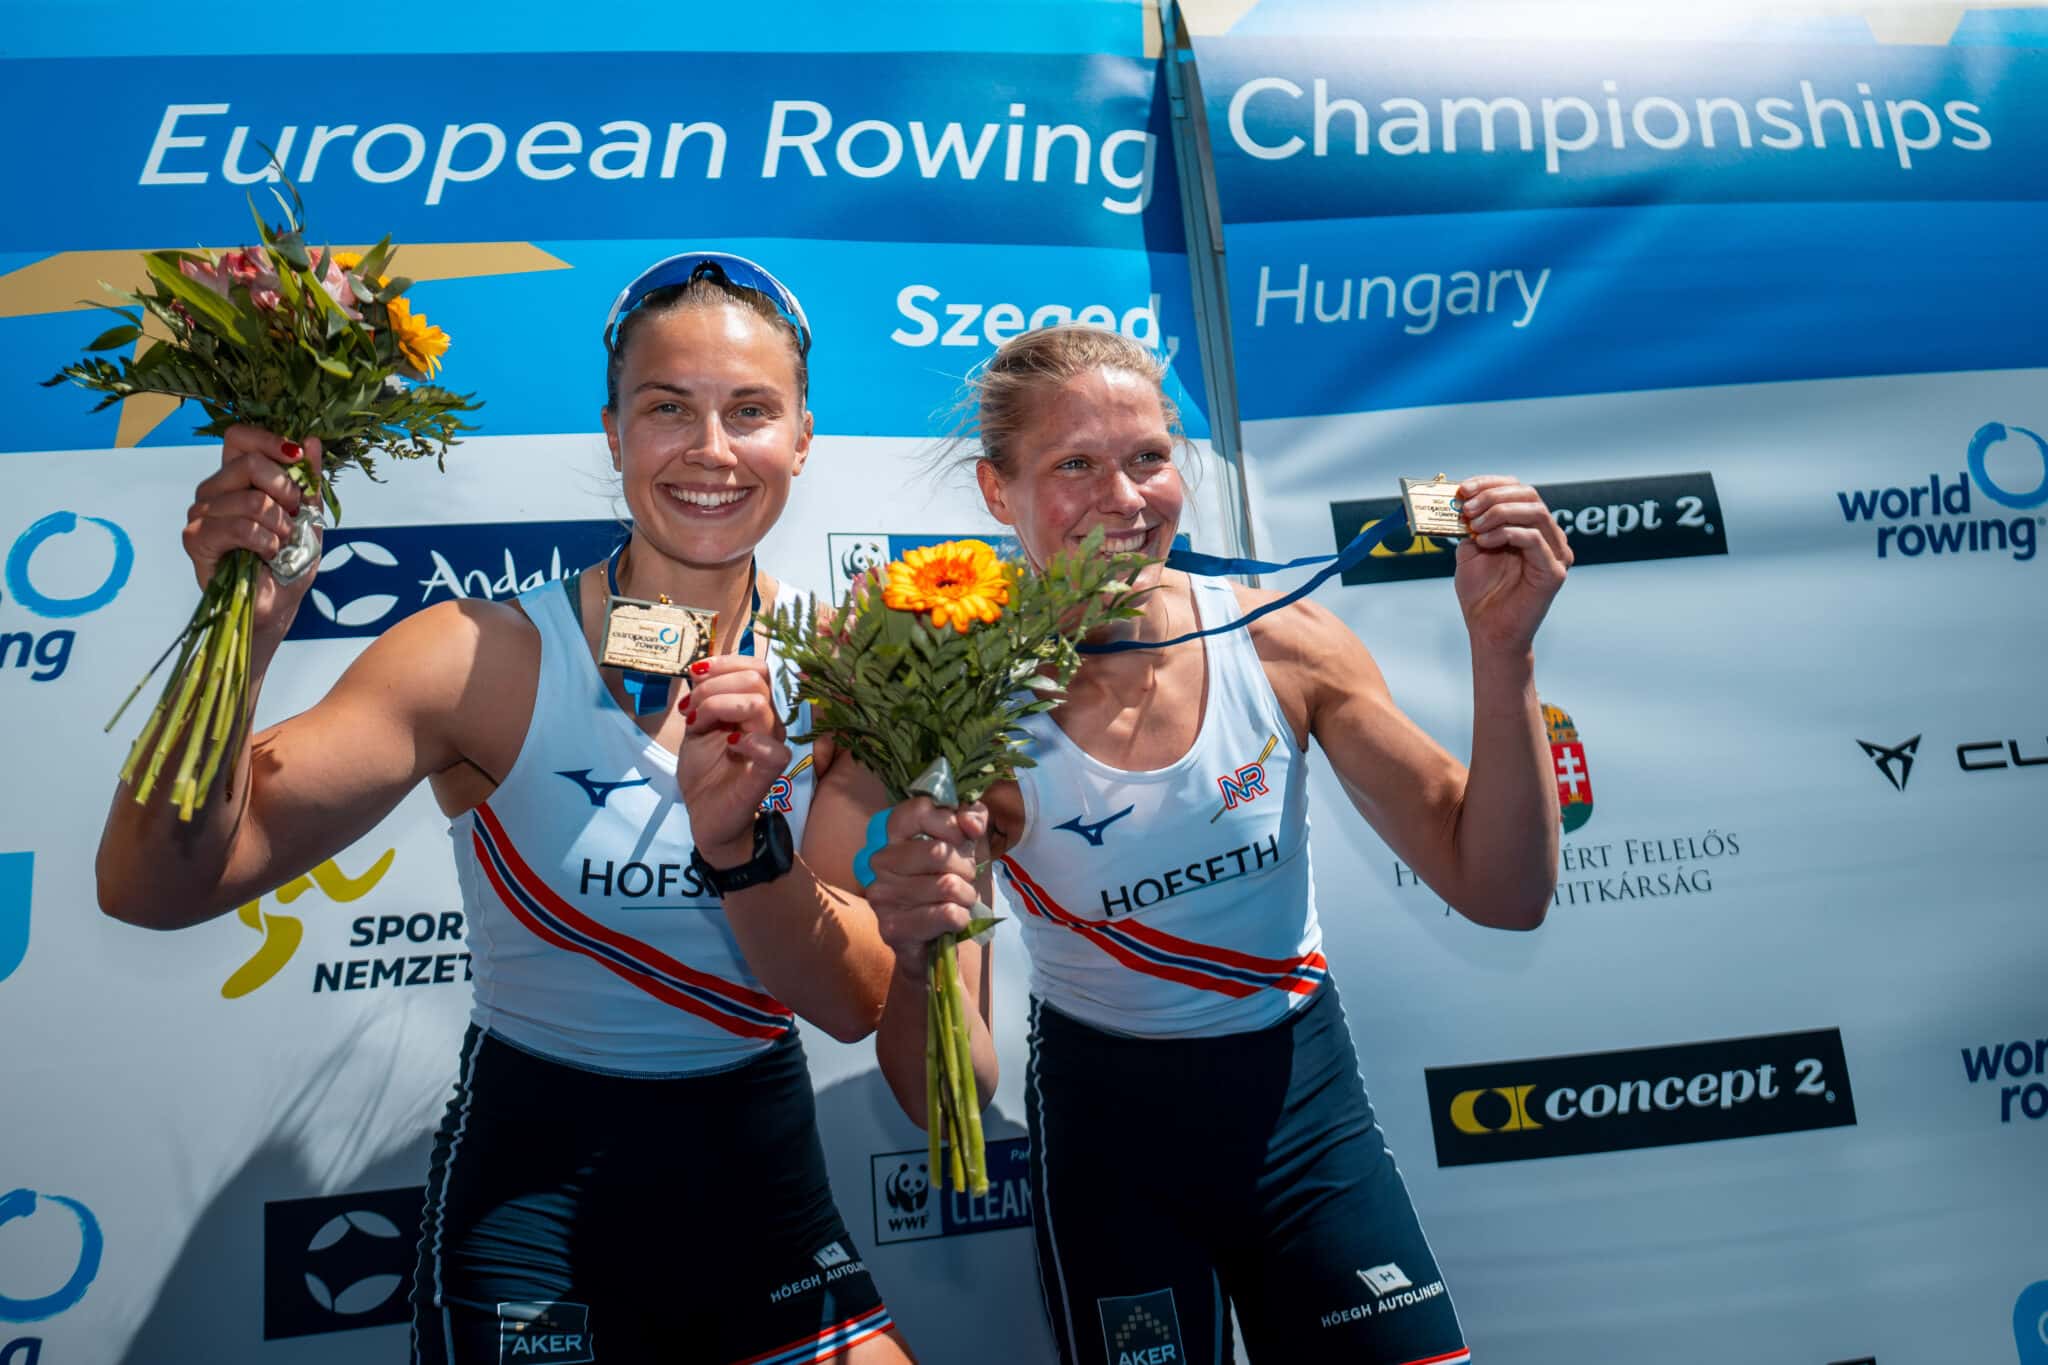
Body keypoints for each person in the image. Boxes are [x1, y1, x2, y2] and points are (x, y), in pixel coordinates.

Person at [95, 252, 921, 1365]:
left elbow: (855, 1000)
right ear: (613, 430)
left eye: (751, 412)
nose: (711, 451)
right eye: (666, 408)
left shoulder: (846, 671)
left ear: (804, 437)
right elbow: (156, 884)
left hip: (764, 1193)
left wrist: (747, 849)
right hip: (531, 1210)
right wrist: (242, 625)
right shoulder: (476, 657)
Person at [852, 324, 1571, 1365]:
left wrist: (1501, 655)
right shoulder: (971, 710)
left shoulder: (1282, 645)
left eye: (1148, 457)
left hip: (1301, 1115)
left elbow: (1502, 891)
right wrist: (916, 962)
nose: (1125, 498)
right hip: (1111, 1143)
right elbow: (939, 1095)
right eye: (1074, 467)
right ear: (996, 494)